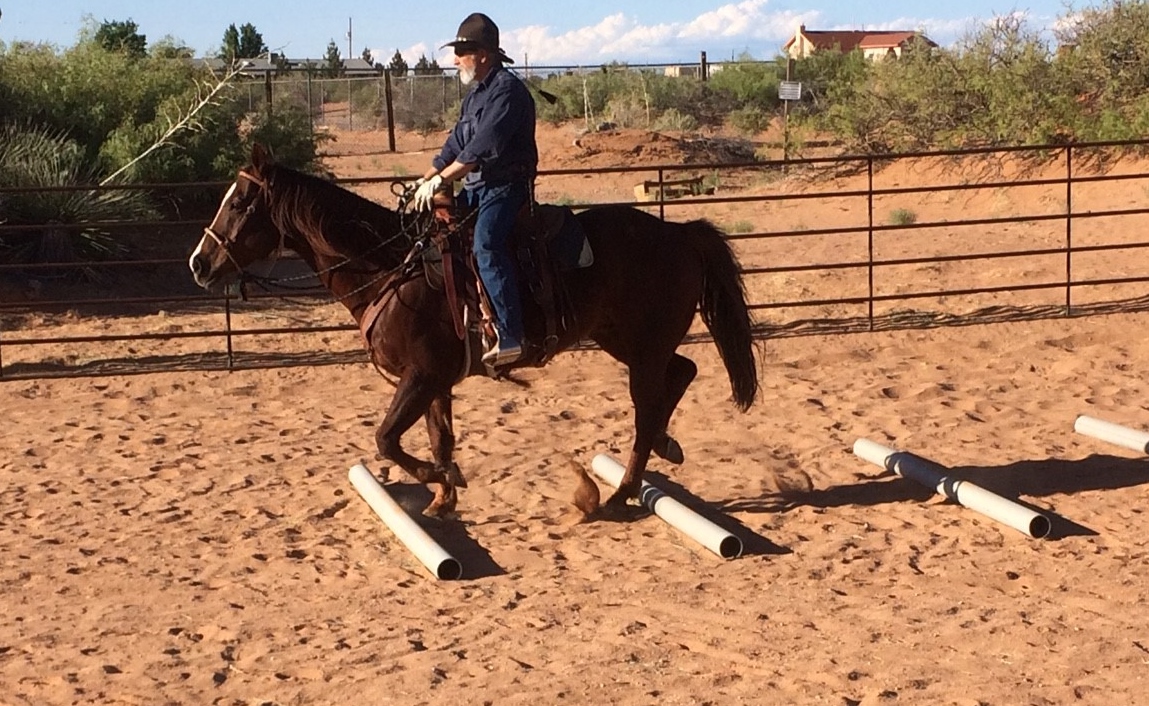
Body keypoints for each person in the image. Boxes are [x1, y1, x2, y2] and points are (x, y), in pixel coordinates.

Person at [412, 12, 538, 367]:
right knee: (436, 230)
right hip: (480, 187)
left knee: (486, 244)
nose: (455, 60)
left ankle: (512, 333)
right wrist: (425, 180)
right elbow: (453, 147)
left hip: (507, 188)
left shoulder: (508, 92)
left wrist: (442, 180)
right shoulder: (475, 97)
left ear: (483, 54)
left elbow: (479, 149)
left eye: (461, 51)